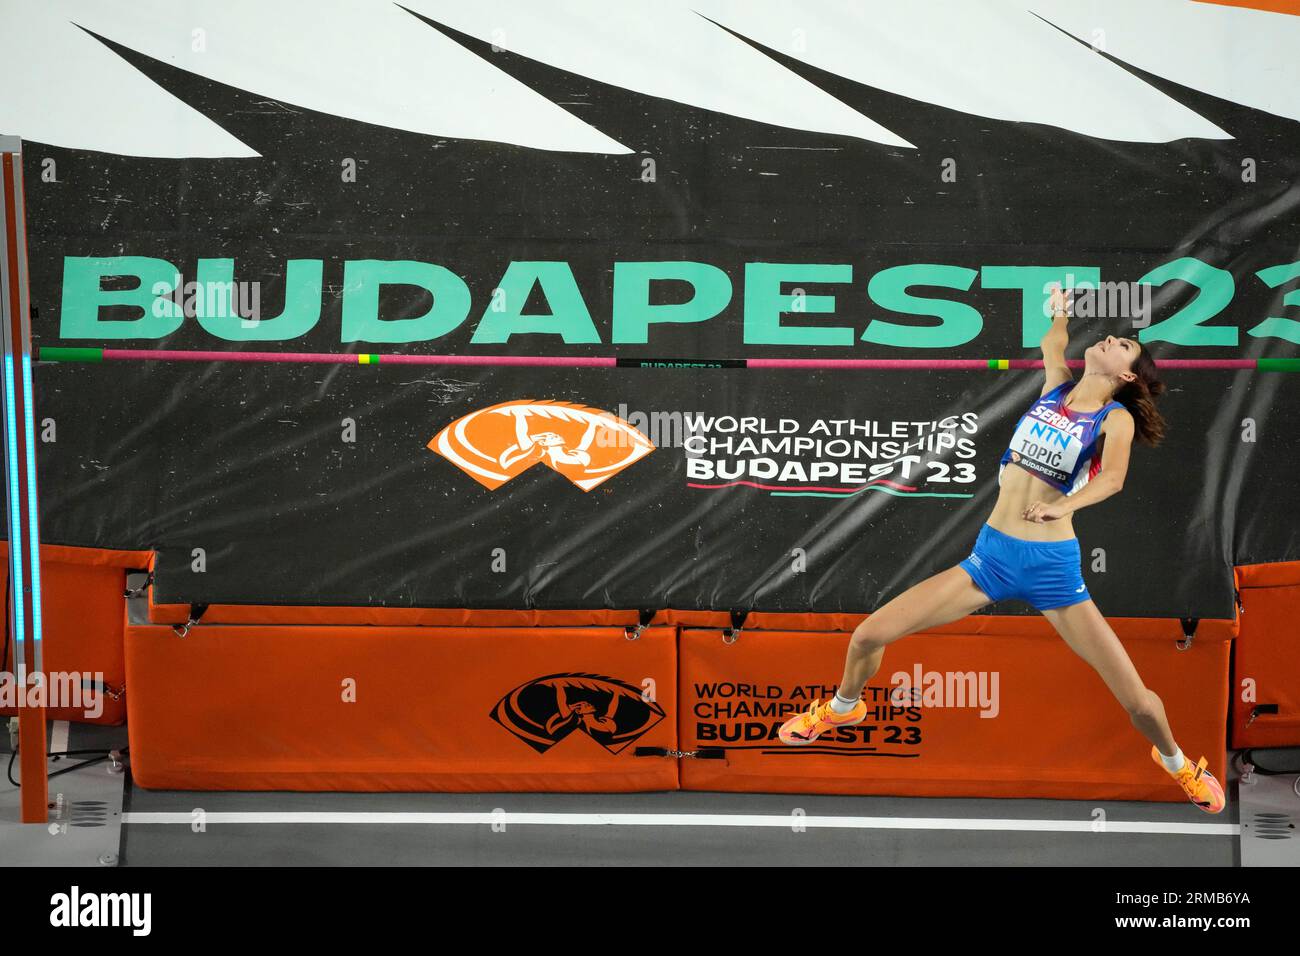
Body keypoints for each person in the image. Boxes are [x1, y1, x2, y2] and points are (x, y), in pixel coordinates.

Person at [777, 285, 1226, 814]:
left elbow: (1114, 482)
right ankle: (843, 707)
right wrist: (1059, 310)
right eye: (1110, 335)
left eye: (1123, 345)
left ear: (1127, 375)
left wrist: (1067, 507)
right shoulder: (1056, 389)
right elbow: (1053, 344)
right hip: (990, 559)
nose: (1111, 339)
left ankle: (1177, 762)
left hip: (1053, 570)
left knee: (1139, 703)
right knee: (867, 635)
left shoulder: (1115, 419)